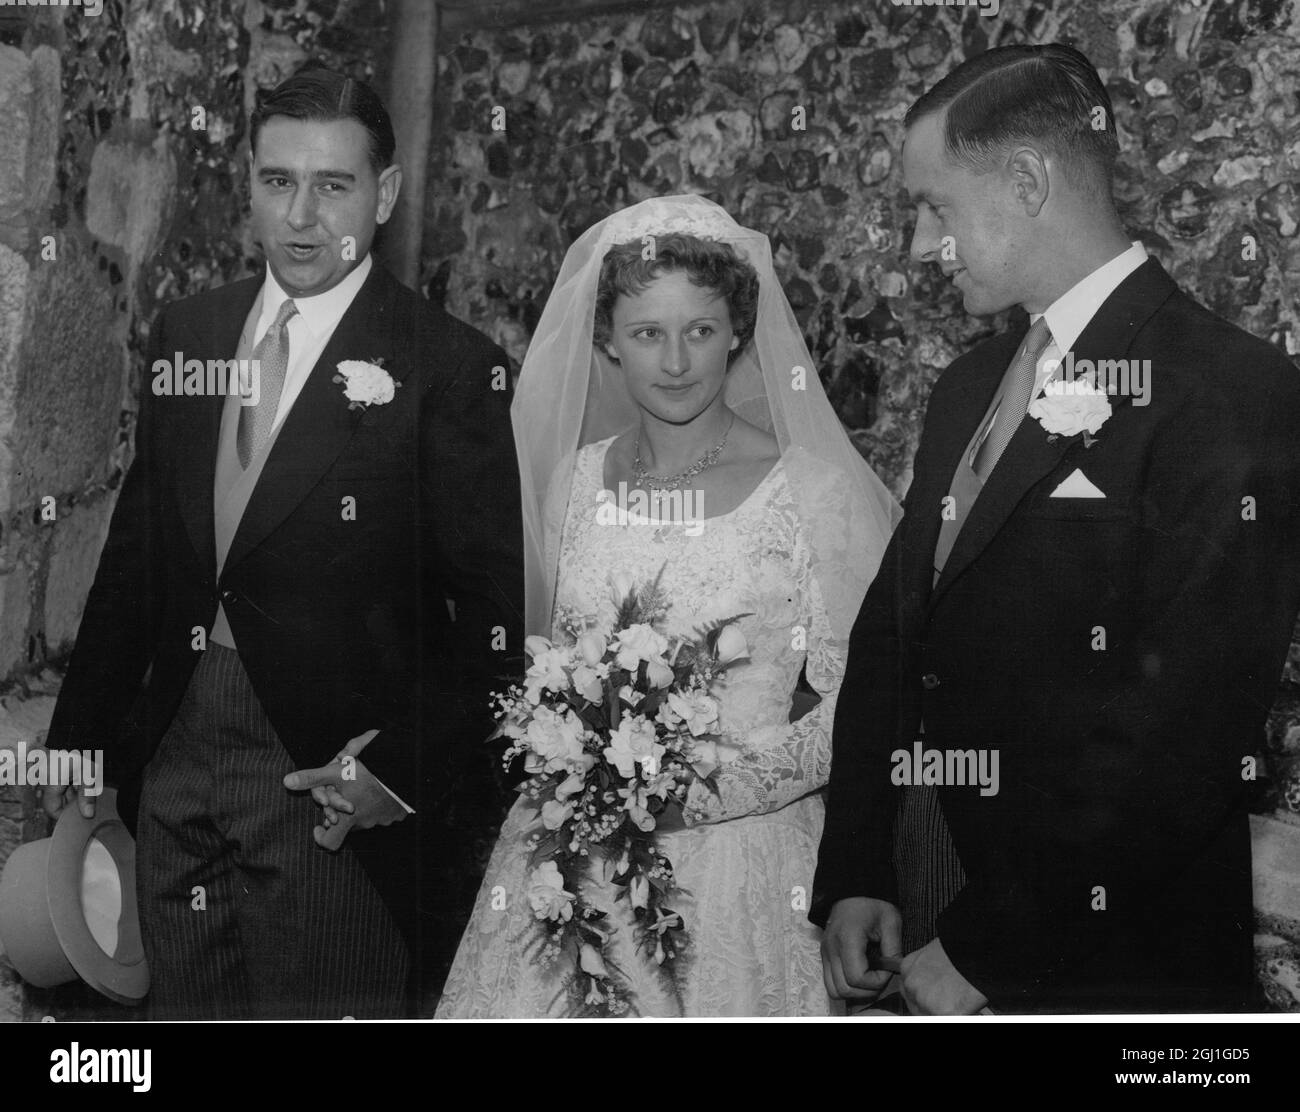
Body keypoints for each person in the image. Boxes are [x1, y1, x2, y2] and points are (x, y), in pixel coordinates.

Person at [813, 42, 1300, 1014]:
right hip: (934, 898)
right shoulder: (966, 388)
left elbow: (1184, 735)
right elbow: (894, 632)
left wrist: (987, 947)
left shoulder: (1232, 390)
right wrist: (859, 864)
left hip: (1114, 964)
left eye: (935, 208)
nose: (920, 245)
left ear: (1028, 180)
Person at [41, 66, 523, 1018]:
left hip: (328, 794)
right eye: (277, 182)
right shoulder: (191, 331)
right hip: (173, 763)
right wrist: (78, 747)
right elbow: (137, 559)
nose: (301, 218)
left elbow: (495, 626)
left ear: (383, 194)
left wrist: (394, 775)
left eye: (333, 185)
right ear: (250, 186)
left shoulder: (450, 369)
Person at [435, 195, 899, 1017]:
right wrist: (576, 762)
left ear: (739, 333)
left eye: (702, 330)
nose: (677, 361)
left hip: (744, 865)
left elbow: (863, 701)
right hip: (573, 858)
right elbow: (542, 664)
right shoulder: (573, 483)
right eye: (648, 332)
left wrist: (705, 793)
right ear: (608, 339)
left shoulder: (812, 493)